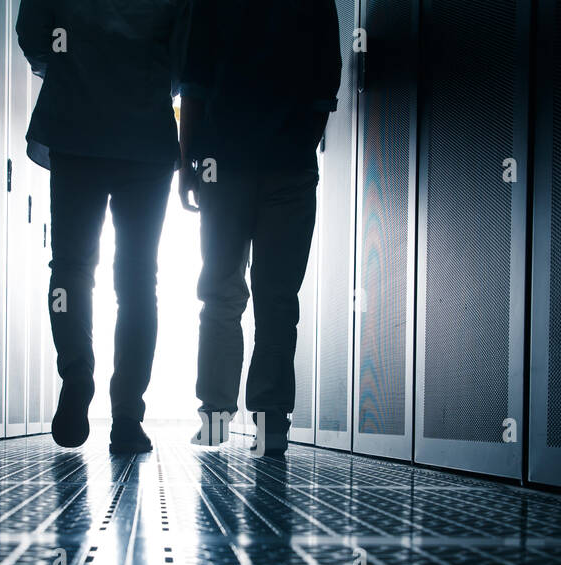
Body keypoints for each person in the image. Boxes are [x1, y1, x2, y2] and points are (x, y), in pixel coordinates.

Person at [17, 0, 190, 454]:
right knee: (137, 281)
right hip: (145, 135)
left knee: (72, 266)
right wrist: (150, 82)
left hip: (76, 128)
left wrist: (72, 70)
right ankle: (127, 416)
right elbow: (187, 50)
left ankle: (76, 373)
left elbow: (33, 32)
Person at [178, 0, 341, 457]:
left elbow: (195, 79)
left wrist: (186, 161)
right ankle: (271, 424)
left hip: (222, 161)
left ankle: (214, 419)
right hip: (287, 163)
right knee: (276, 297)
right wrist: (297, 145)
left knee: (221, 291)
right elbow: (327, 81)